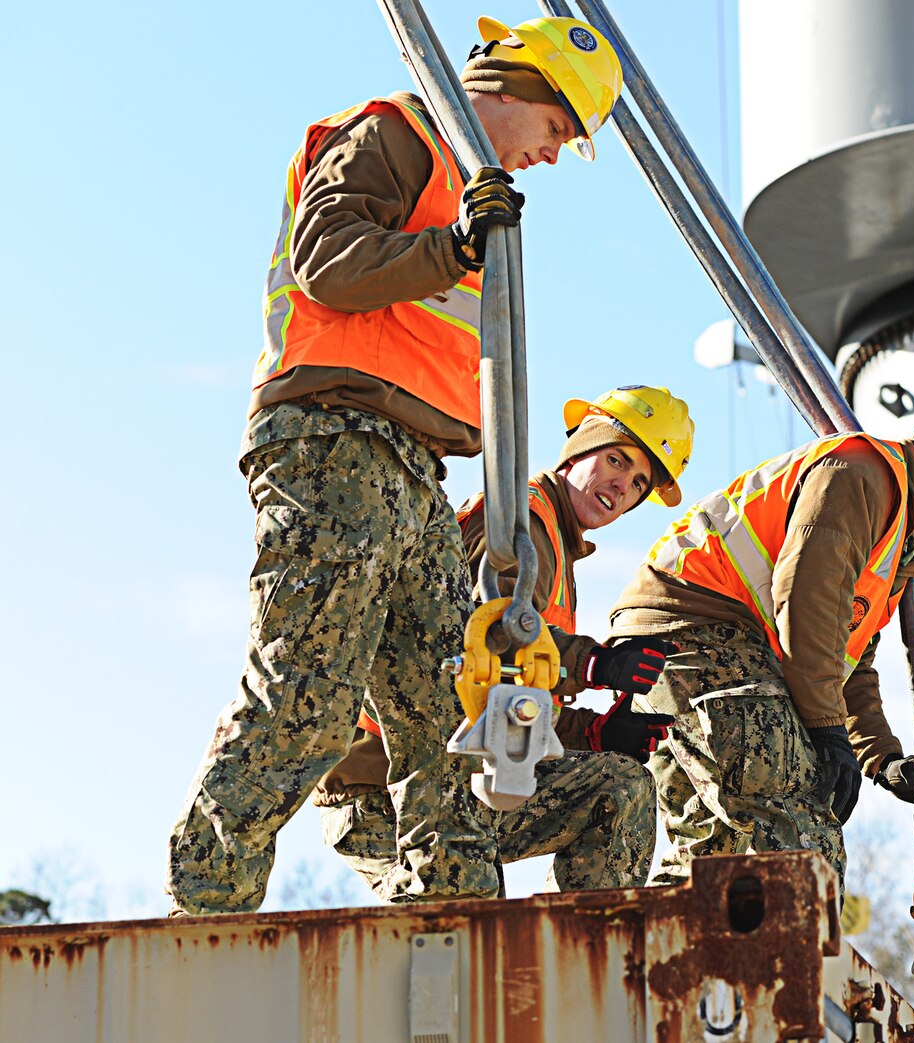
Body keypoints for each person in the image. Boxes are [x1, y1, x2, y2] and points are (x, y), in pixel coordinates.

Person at [166, 15, 625, 914]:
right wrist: (453, 247)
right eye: (561, 130)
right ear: (521, 89)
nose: (556, 154)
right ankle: (205, 905)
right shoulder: (396, 133)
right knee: (311, 693)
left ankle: (453, 908)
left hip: (412, 467)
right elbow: (328, 264)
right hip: (334, 438)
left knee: (442, 712)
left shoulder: (467, 188)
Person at [608, 371, 914, 886]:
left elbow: (848, 659)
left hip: (709, 647)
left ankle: (664, 958)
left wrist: (881, 757)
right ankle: (801, 963)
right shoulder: (858, 475)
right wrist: (826, 731)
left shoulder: (898, 539)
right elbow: (807, 602)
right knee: (801, 829)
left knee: (714, 864)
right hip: (694, 627)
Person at [314, 387, 693, 892]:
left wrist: (594, 733)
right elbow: (488, 644)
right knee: (464, 923)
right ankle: (593, 948)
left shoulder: (555, 543)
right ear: (579, 448)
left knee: (615, 785)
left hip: (452, 775)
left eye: (639, 482)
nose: (623, 485)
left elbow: (510, 699)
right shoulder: (523, 526)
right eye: (616, 460)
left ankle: (589, 953)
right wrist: (597, 664)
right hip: (389, 785)